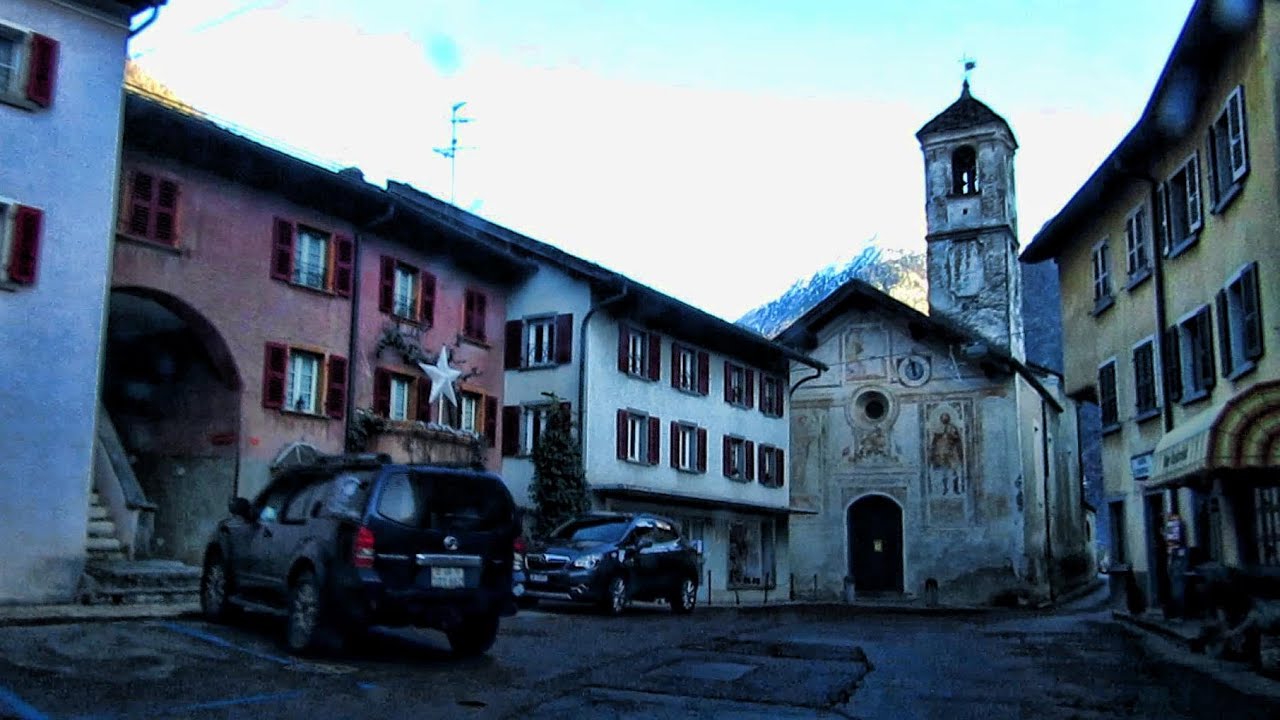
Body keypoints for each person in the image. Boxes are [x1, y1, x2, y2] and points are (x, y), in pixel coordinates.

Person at [1165, 512, 1188, 619]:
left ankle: (1179, 613)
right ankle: (1180, 612)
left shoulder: (1172, 524)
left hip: (1176, 559)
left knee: (1177, 587)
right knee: (1179, 586)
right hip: (1180, 557)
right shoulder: (1180, 524)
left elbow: (1172, 543)